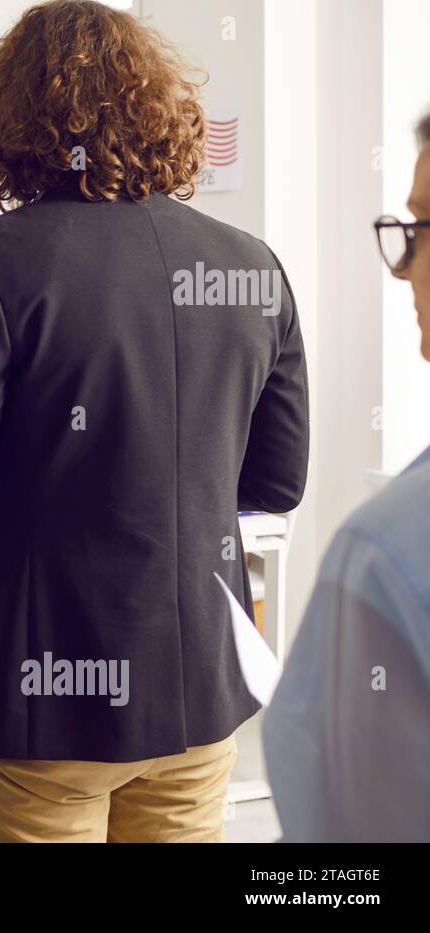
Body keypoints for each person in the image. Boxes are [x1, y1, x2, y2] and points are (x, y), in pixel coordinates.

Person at [0, 0, 309, 842]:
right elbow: (276, 481)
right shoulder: (250, 265)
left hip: (37, 702)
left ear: (9, 119)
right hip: (195, 693)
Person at [263, 111, 430, 842]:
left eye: (420, 231)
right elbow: (280, 475)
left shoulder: (386, 555)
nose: (402, 268)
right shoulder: (249, 266)